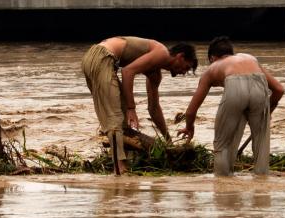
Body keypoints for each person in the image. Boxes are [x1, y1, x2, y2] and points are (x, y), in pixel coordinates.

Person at [80, 36, 197, 174]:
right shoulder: (162, 53)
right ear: (180, 56)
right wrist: (131, 108)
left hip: (96, 59)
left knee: (119, 117)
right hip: (102, 56)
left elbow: (153, 108)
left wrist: (168, 140)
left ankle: (122, 159)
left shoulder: (155, 73)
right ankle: (120, 169)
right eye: (186, 67)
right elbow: (127, 72)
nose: (183, 73)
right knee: (116, 116)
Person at [178, 37, 283, 177]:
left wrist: (189, 127)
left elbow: (191, 111)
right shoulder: (250, 59)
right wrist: (268, 110)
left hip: (234, 87)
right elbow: (279, 90)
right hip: (259, 83)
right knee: (261, 143)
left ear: (212, 58)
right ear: (230, 53)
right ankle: (262, 187)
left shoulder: (212, 69)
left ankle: (223, 185)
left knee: (222, 145)